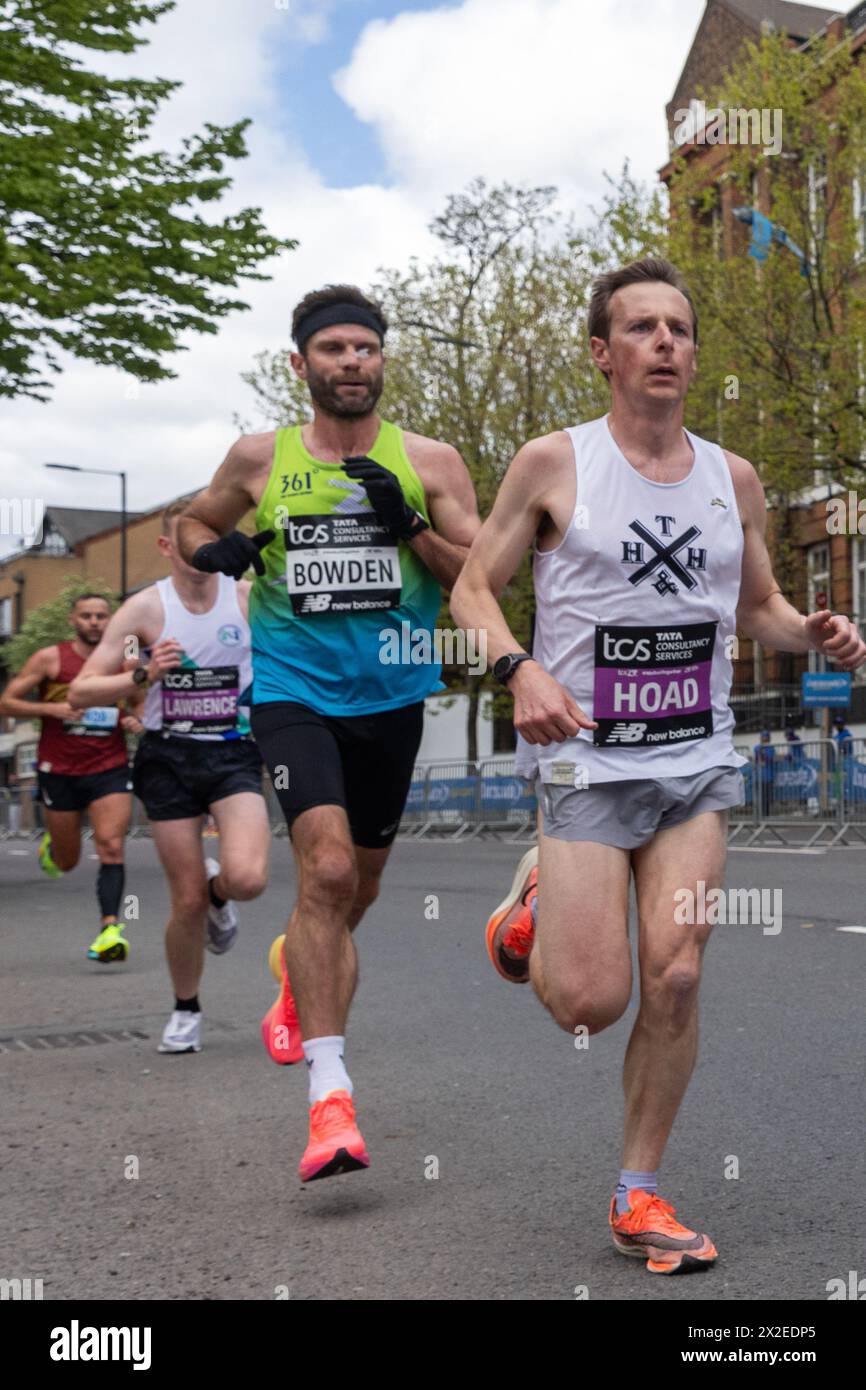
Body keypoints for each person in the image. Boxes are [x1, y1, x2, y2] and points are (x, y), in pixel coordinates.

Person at [450, 256, 866, 1274]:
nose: (665, 342)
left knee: (674, 974)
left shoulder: (732, 479)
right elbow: (469, 586)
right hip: (585, 764)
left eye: (677, 327)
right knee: (587, 1002)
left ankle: (637, 1190)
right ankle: (541, 891)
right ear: (601, 353)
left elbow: (753, 604)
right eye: (640, 327)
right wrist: (518, 671)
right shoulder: (553, 463)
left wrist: (808, 630)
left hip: (692, 764)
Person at [176, 284, 480, 1179]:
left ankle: (292, 972)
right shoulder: (258, 459)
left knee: (358, 891)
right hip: (292, 689)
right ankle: (330, 1098)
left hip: (391, 692)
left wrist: (410, 525)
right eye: (335, 349)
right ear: (301, 361)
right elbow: (192, 521)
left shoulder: (430, 459)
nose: (353, 363)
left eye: (366, 349)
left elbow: (478, 572)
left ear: (383, 359)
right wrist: (212, 550)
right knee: (330, 869)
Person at [69, 501, 270, 1053]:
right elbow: (81, 692)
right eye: (191, 543)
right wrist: (144, 671)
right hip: (167, 757)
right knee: (184, 902)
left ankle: (219, 891)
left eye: (214, 540)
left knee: (248, 878)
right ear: (166, 548)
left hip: (232, 753)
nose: (204, 552)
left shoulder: (249, 600)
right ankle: (186, 1009)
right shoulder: (142, 612)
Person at [0, 593, 140, 961]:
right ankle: (54, 847)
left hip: (109, 765)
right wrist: (54, 709)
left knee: (110, 845)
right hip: (59, 769)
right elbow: (7, 702)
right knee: (67, 861)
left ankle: (110, 929)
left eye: (101, 616)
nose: (94, 622)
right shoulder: (50, 658)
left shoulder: (122, 661)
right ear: (72, 620)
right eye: (87, 616)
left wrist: (133, 717)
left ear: (110, 621)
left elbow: (137, 700)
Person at [753, 728, 776, 818]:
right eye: (763, 737)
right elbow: (756, 757)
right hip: (759, 776)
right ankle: (761, 815)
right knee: (761, 796)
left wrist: (763, 754)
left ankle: (766, 815)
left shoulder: (771, 748)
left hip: (768, 776)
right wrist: (760, 753)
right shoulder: (757, 747)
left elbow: (769, 759)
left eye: (766, 737)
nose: (765, 739)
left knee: (767, 796)